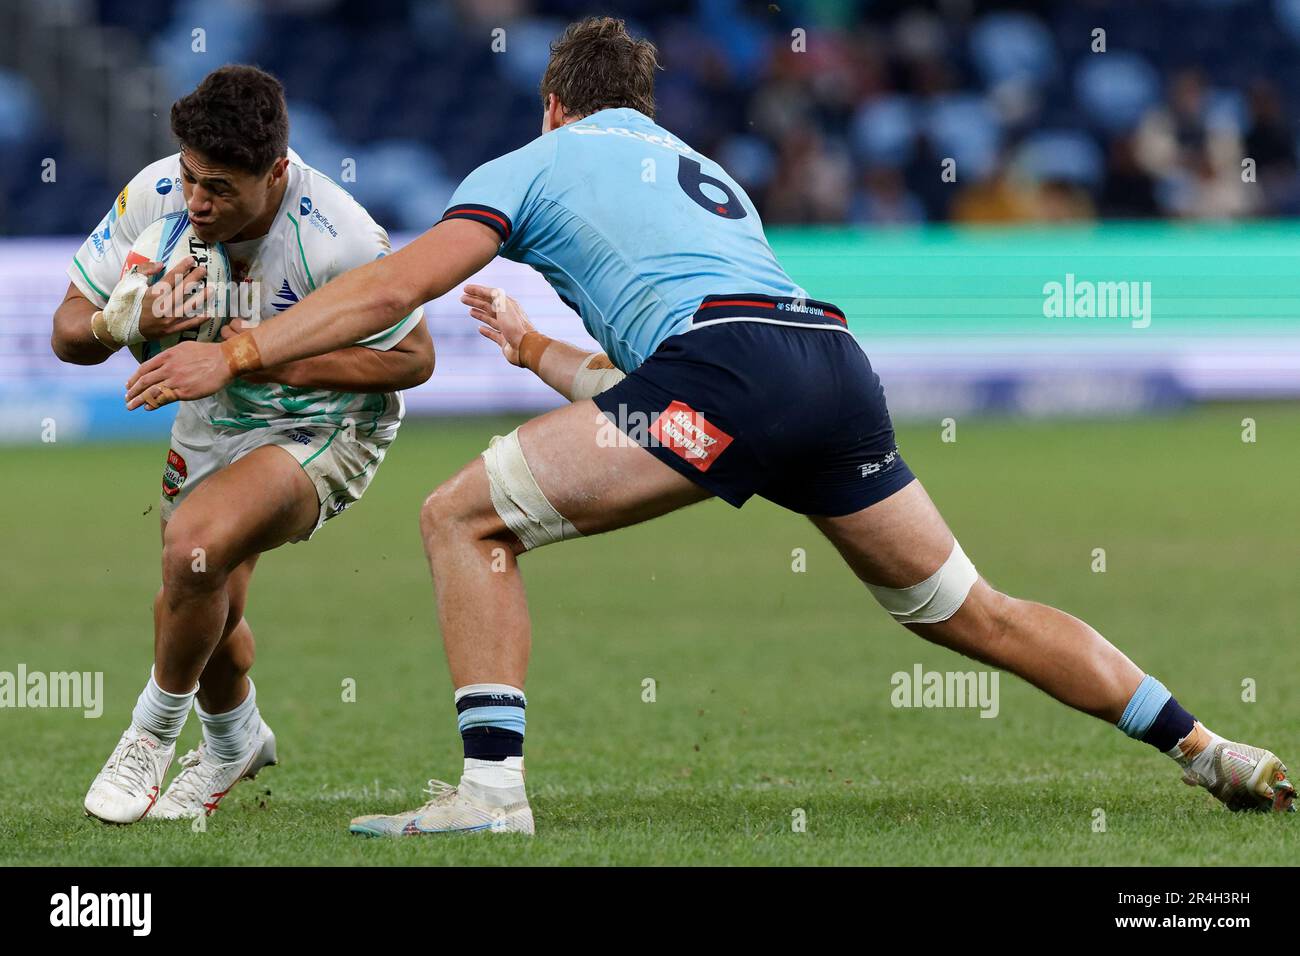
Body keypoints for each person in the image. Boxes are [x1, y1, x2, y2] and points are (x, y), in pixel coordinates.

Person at [124, 20, 1294, 836]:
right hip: (828, 365)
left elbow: (392, 290)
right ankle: (1206, 747)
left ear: (553, 103)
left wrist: (239, 346)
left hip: (730, 374)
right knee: (970, 609)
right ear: (644, 104)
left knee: (461, 513)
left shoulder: (533, 160)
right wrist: (546, 356)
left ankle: (489, 791)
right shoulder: (699, 166)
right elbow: (678, 393)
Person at [54, 65, 433, 822]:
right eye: (192, 176)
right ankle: (235, 740)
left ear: (278, 173)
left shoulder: (341, 236)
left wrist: (281, 353)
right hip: (212, 411)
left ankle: (149, 736)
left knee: (195, 543)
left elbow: (414, 358)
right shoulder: (157, 196)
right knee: (197, 590)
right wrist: (127, 324)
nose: (197, 201)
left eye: (221, 188)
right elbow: (68, 331)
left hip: (321, 423)